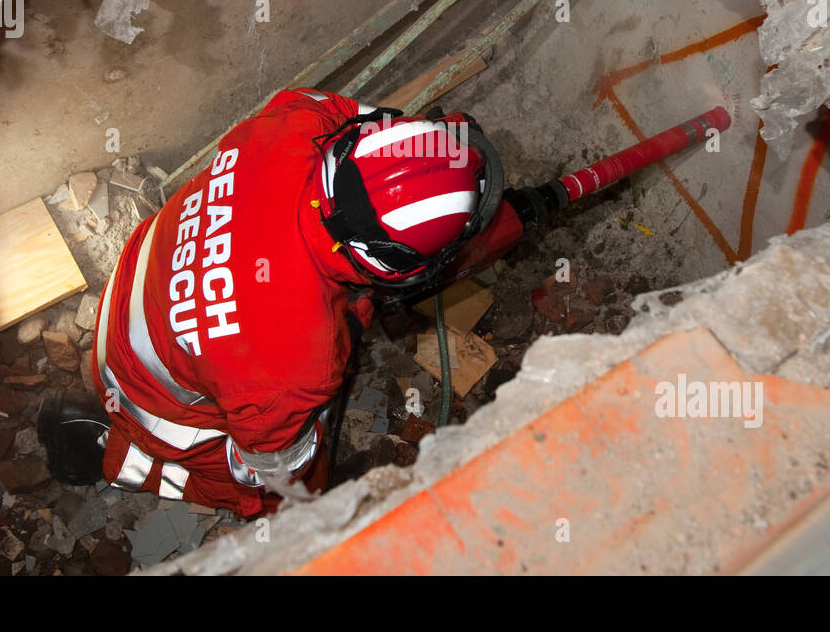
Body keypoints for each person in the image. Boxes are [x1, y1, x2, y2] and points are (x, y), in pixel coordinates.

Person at [38, 88, 501, 516]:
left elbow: (346, 113)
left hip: (134, 282)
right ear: (392, 268)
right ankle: (115, 457)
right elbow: (269, 467)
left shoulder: (293, 126)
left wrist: (423, 150)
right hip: (139, 390)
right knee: (279, 487)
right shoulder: (296, 367)